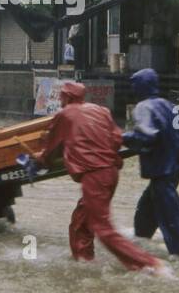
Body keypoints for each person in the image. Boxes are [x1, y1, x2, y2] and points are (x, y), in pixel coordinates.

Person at [32, 81, 165, 274]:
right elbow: (117, 138)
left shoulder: (65, 115)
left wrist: (40, 160)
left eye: (61, 96)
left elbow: (51, 148)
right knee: (81, 220)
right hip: (111, 172)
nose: (59, 100)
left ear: (68, 97)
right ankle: (84, 262)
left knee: (103, 229)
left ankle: (149, 263)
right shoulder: (101, 111)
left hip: (94, 175)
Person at [124, 68, 179, 257]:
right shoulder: (172, 106)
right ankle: (141, 242)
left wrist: (120, 138)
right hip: (175, 169)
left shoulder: (143, 107)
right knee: (145, 212)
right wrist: (171, 146)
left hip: (161, 172)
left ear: (141, 86)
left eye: (134, 85)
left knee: (172, 221)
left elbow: (146, 136)